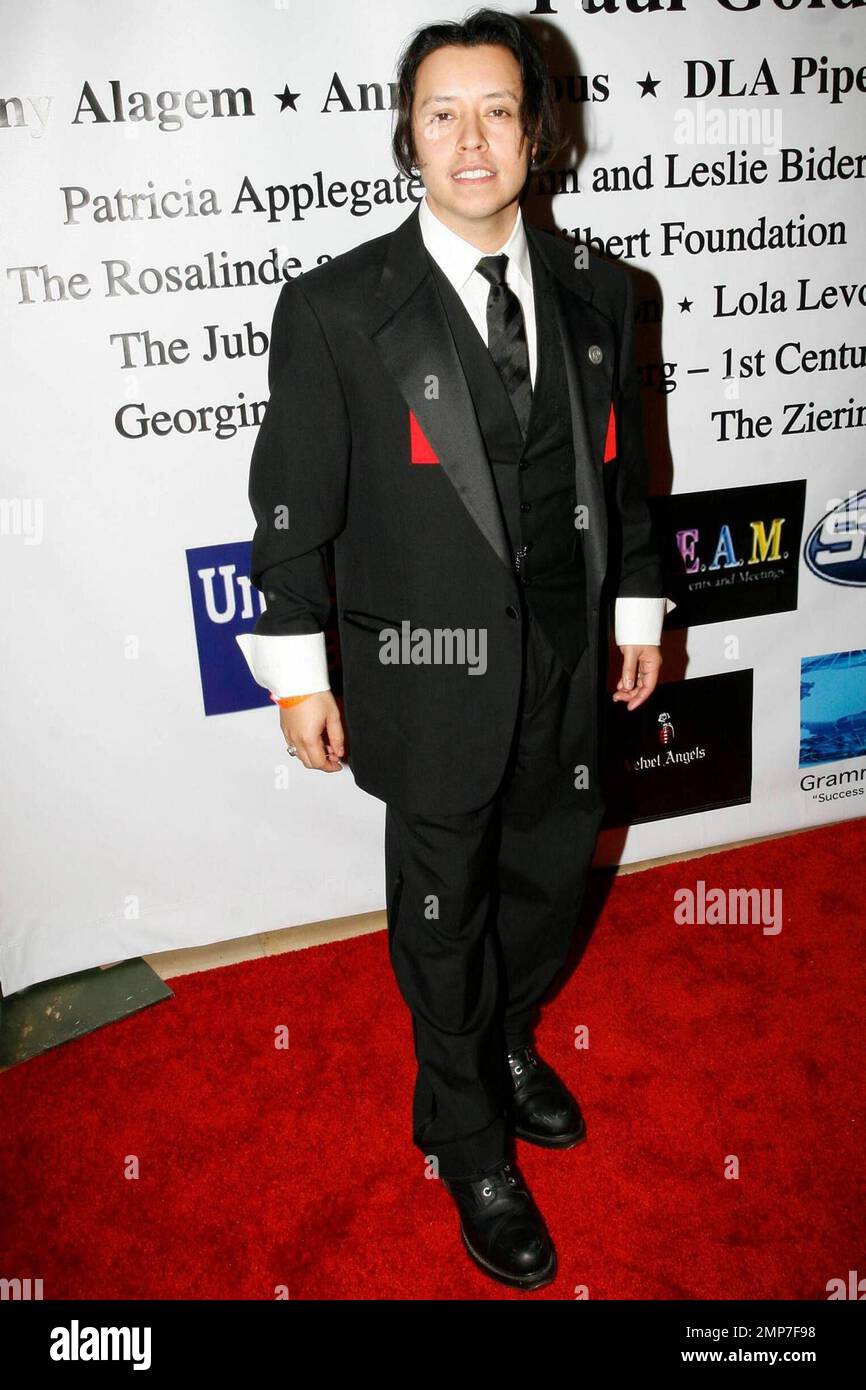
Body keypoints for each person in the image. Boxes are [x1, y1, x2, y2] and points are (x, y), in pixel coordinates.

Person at [237, 6, 675, 1291]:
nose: (471, 139)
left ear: (538, 131)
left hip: (563, 656)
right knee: (443, 921)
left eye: (496, 109)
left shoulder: (604, 291)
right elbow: (289, 509)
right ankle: (467, 1138)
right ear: (408, 136)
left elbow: (627, 477)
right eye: (443, 113)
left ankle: (513, 1039)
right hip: (422, 675)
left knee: (544, 886)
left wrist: (635, 607)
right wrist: (300, 673)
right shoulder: (335, 308)